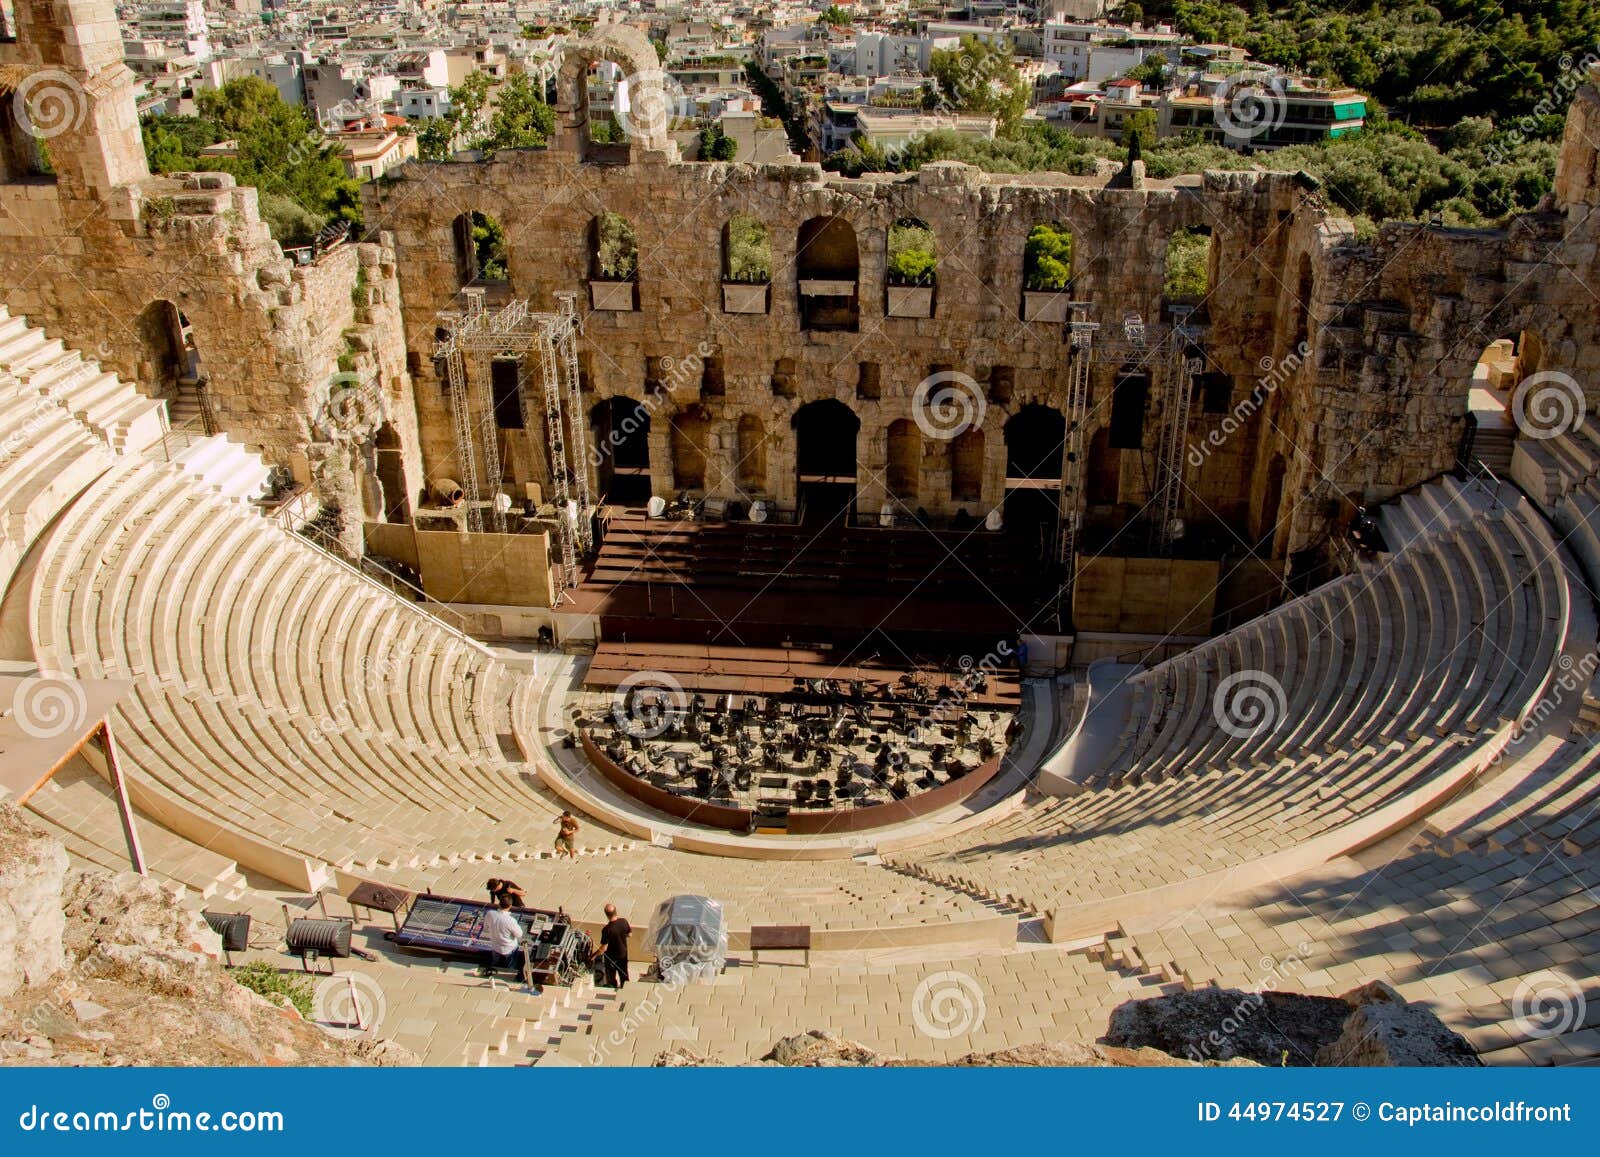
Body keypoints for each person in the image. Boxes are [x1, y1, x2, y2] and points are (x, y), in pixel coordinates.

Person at [475, 894, 526, 979]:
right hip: (509, 949)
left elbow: (486, 927)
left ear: (499, 904)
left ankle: (493, 974)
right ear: (510, 906)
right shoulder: (510, 920)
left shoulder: (490, 913)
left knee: (495, 963)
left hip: (495, 946)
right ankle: (509, 977)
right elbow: (519, 934)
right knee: (511, 965)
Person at [597, 903, 631, 990]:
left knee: (610, 974)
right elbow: (630, 934)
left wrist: (594, 955)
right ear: (616, 911)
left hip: (611, 956)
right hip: (623, 953)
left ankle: (612, 987)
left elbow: (603, 947)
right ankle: (625, 989)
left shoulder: (607, 929)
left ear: (606, 915)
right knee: (624, 973)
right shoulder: (624, 921)